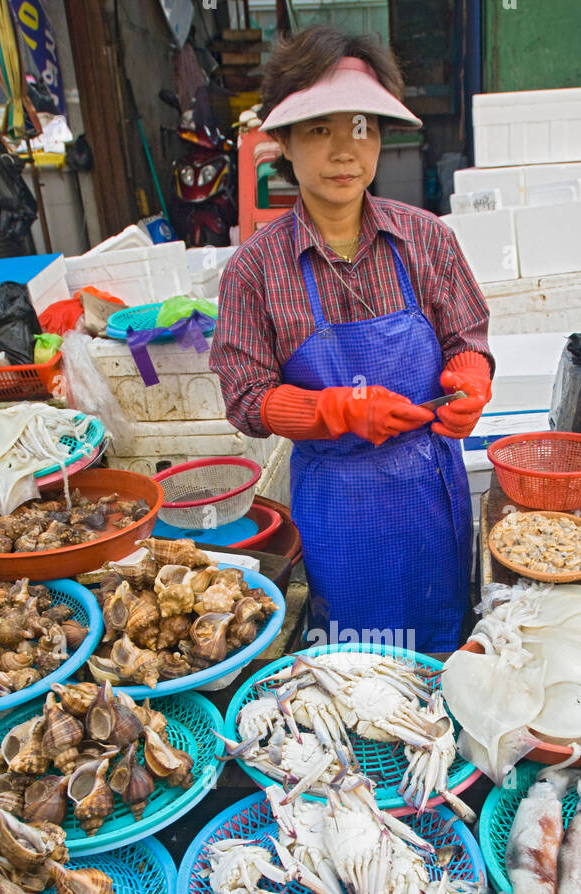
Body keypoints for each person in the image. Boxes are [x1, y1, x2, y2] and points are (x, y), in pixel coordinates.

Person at [211, 26, 493, 651]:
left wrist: (472, 378)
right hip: (339, 507)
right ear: (281, 140)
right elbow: (247, 400)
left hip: (429, 493)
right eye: (318, 129)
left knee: (441, 655)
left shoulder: (427, 240)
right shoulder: (255, 269)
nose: (344, 151)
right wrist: (333, 409)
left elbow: (465, 339)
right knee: (355, 665)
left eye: (361, 127)